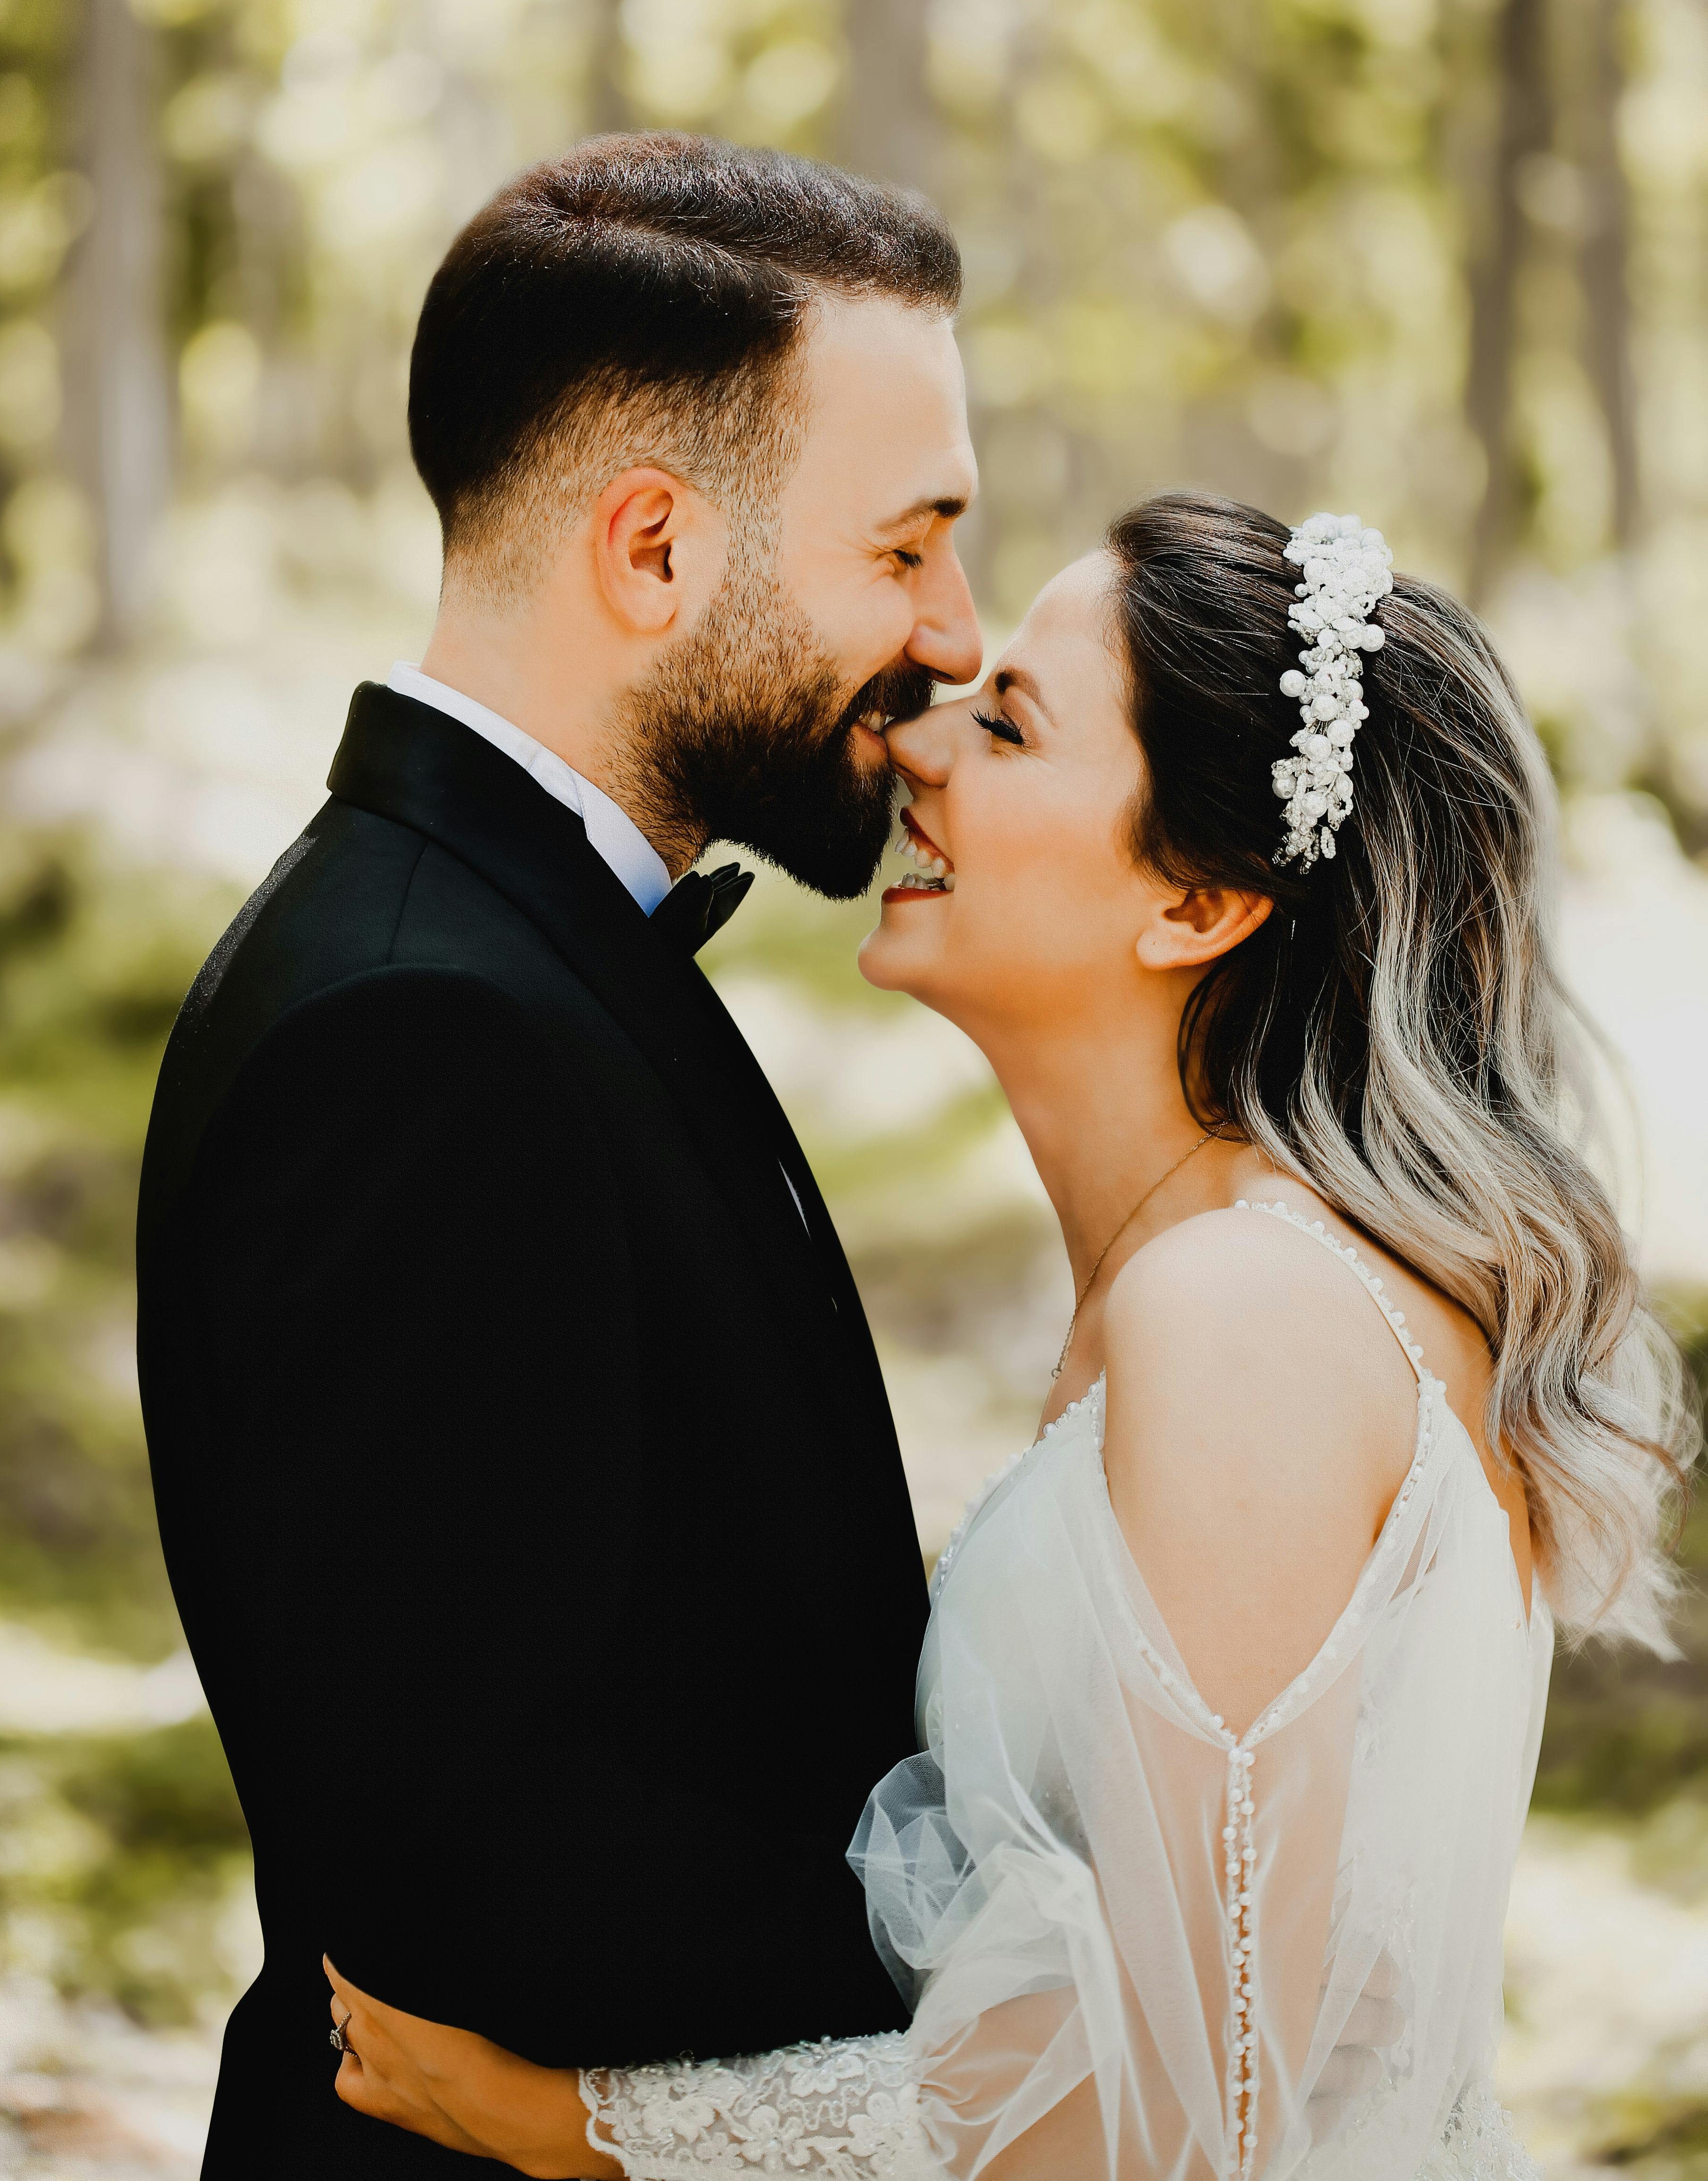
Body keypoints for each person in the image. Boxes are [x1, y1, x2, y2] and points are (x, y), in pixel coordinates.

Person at [319, 494, 1697, 2180]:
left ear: (1196, 903)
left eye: (1016, 724)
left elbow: (1183, 2095)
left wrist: (567, 2126)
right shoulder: (1205, 1283)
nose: (918, 740)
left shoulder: (1245, 1314)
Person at [135, 133, 985, 2174]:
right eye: (905, 549)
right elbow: (482, 1859)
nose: (958, 634)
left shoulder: (503, 947)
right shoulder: (423, 1034)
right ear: (653, 552)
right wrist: (1027, 1980)